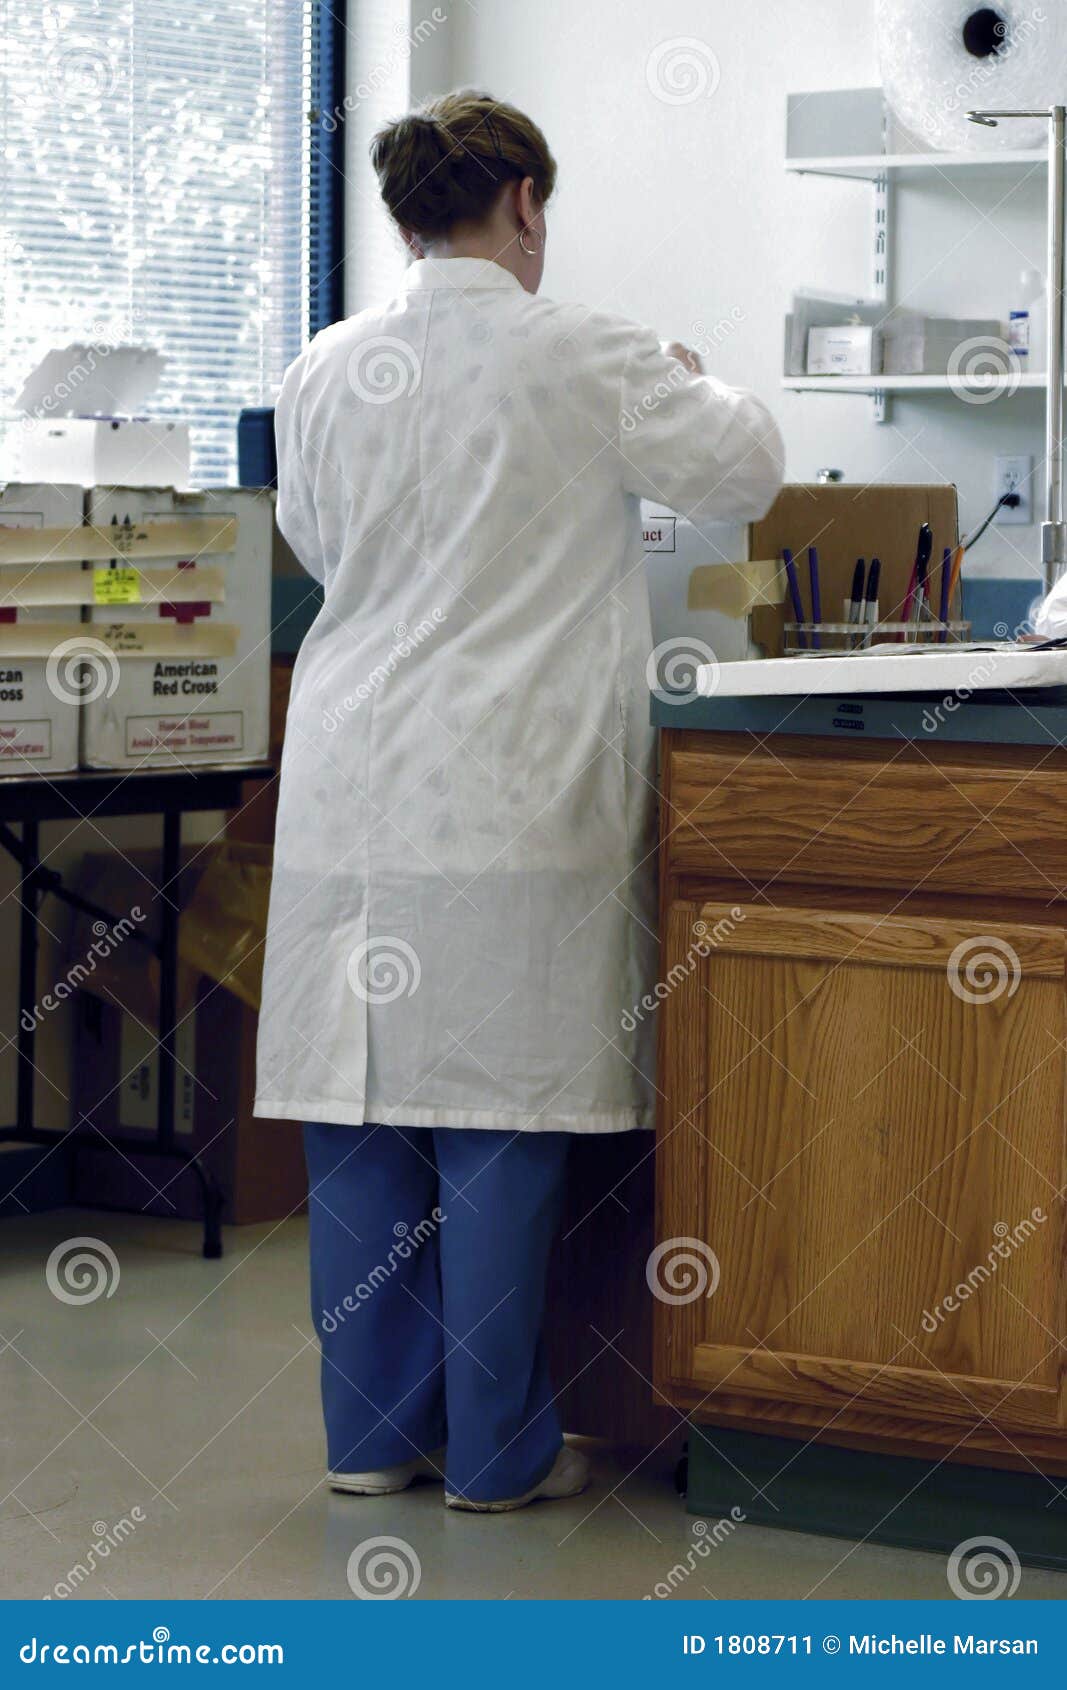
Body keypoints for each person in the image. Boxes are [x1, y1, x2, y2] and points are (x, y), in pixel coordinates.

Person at [255, 89, 783, 1512]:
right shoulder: (591, 352)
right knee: (500, 1119)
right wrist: (691, 371)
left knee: (357, 1111)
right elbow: (745, 469)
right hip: (511, 790)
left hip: (353, 781)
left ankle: (369, 1437)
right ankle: (498, 1453)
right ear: (527, 204)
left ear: (403, 212)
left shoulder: (323, 363)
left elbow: (311, 535)